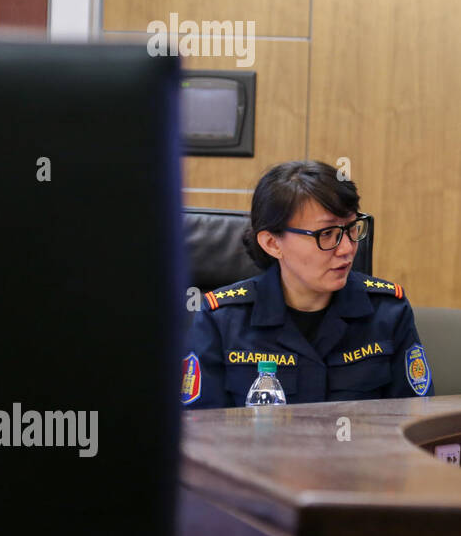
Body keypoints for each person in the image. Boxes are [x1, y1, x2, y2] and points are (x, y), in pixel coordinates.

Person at [182, 160, 432, 408]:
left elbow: (416, 421)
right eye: (326, 234)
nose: (347, 249)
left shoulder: (387, 312)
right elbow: (200, 431)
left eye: (351, 229)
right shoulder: (222, 320)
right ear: (272, 243)